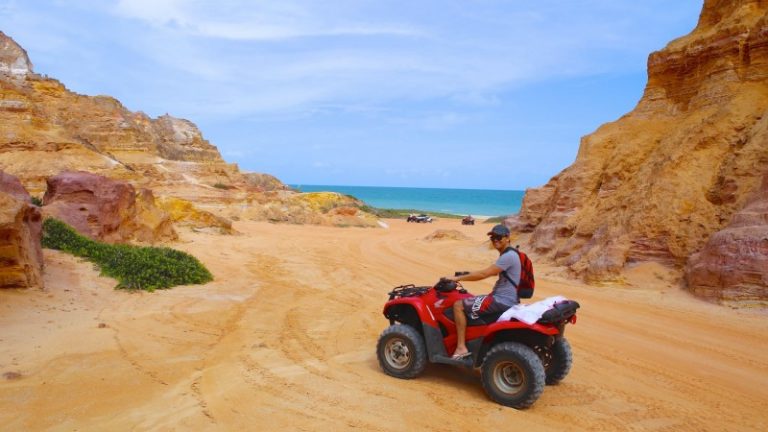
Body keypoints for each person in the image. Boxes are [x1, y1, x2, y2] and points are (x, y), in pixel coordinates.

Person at [444, 224, 521, 359]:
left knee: (458, 305)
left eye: (498, 237)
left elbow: (484, 274)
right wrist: (468, 273)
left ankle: (461, 347)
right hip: (507, 298)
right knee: (472, 300)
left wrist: (457, 278)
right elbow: (485, 271)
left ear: (508, 238)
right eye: (493, 237)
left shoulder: (508, 256)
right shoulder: (510, 254)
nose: (495, 240)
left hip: (501, 300)